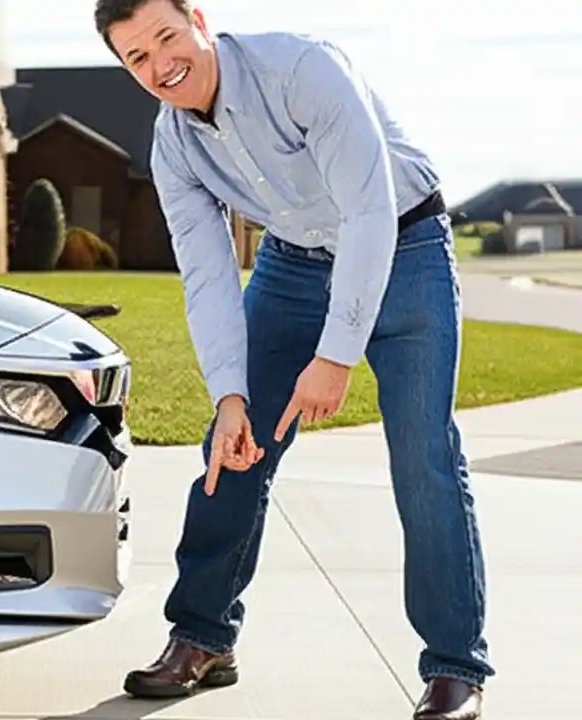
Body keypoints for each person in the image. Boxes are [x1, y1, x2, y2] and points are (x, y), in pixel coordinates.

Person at [93, 2, 493, 718]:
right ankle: (203, 636)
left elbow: (368, 211)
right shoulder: (174, 146)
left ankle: (455, 669)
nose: (160, 66)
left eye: (166, 38)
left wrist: (335, 355)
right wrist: (230, 397)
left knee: (424, 457)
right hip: (291, 265)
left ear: (200, 21)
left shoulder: (303, 70)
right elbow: (209, 275)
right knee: (232, 451)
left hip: (404, 245)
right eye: (136, 59)